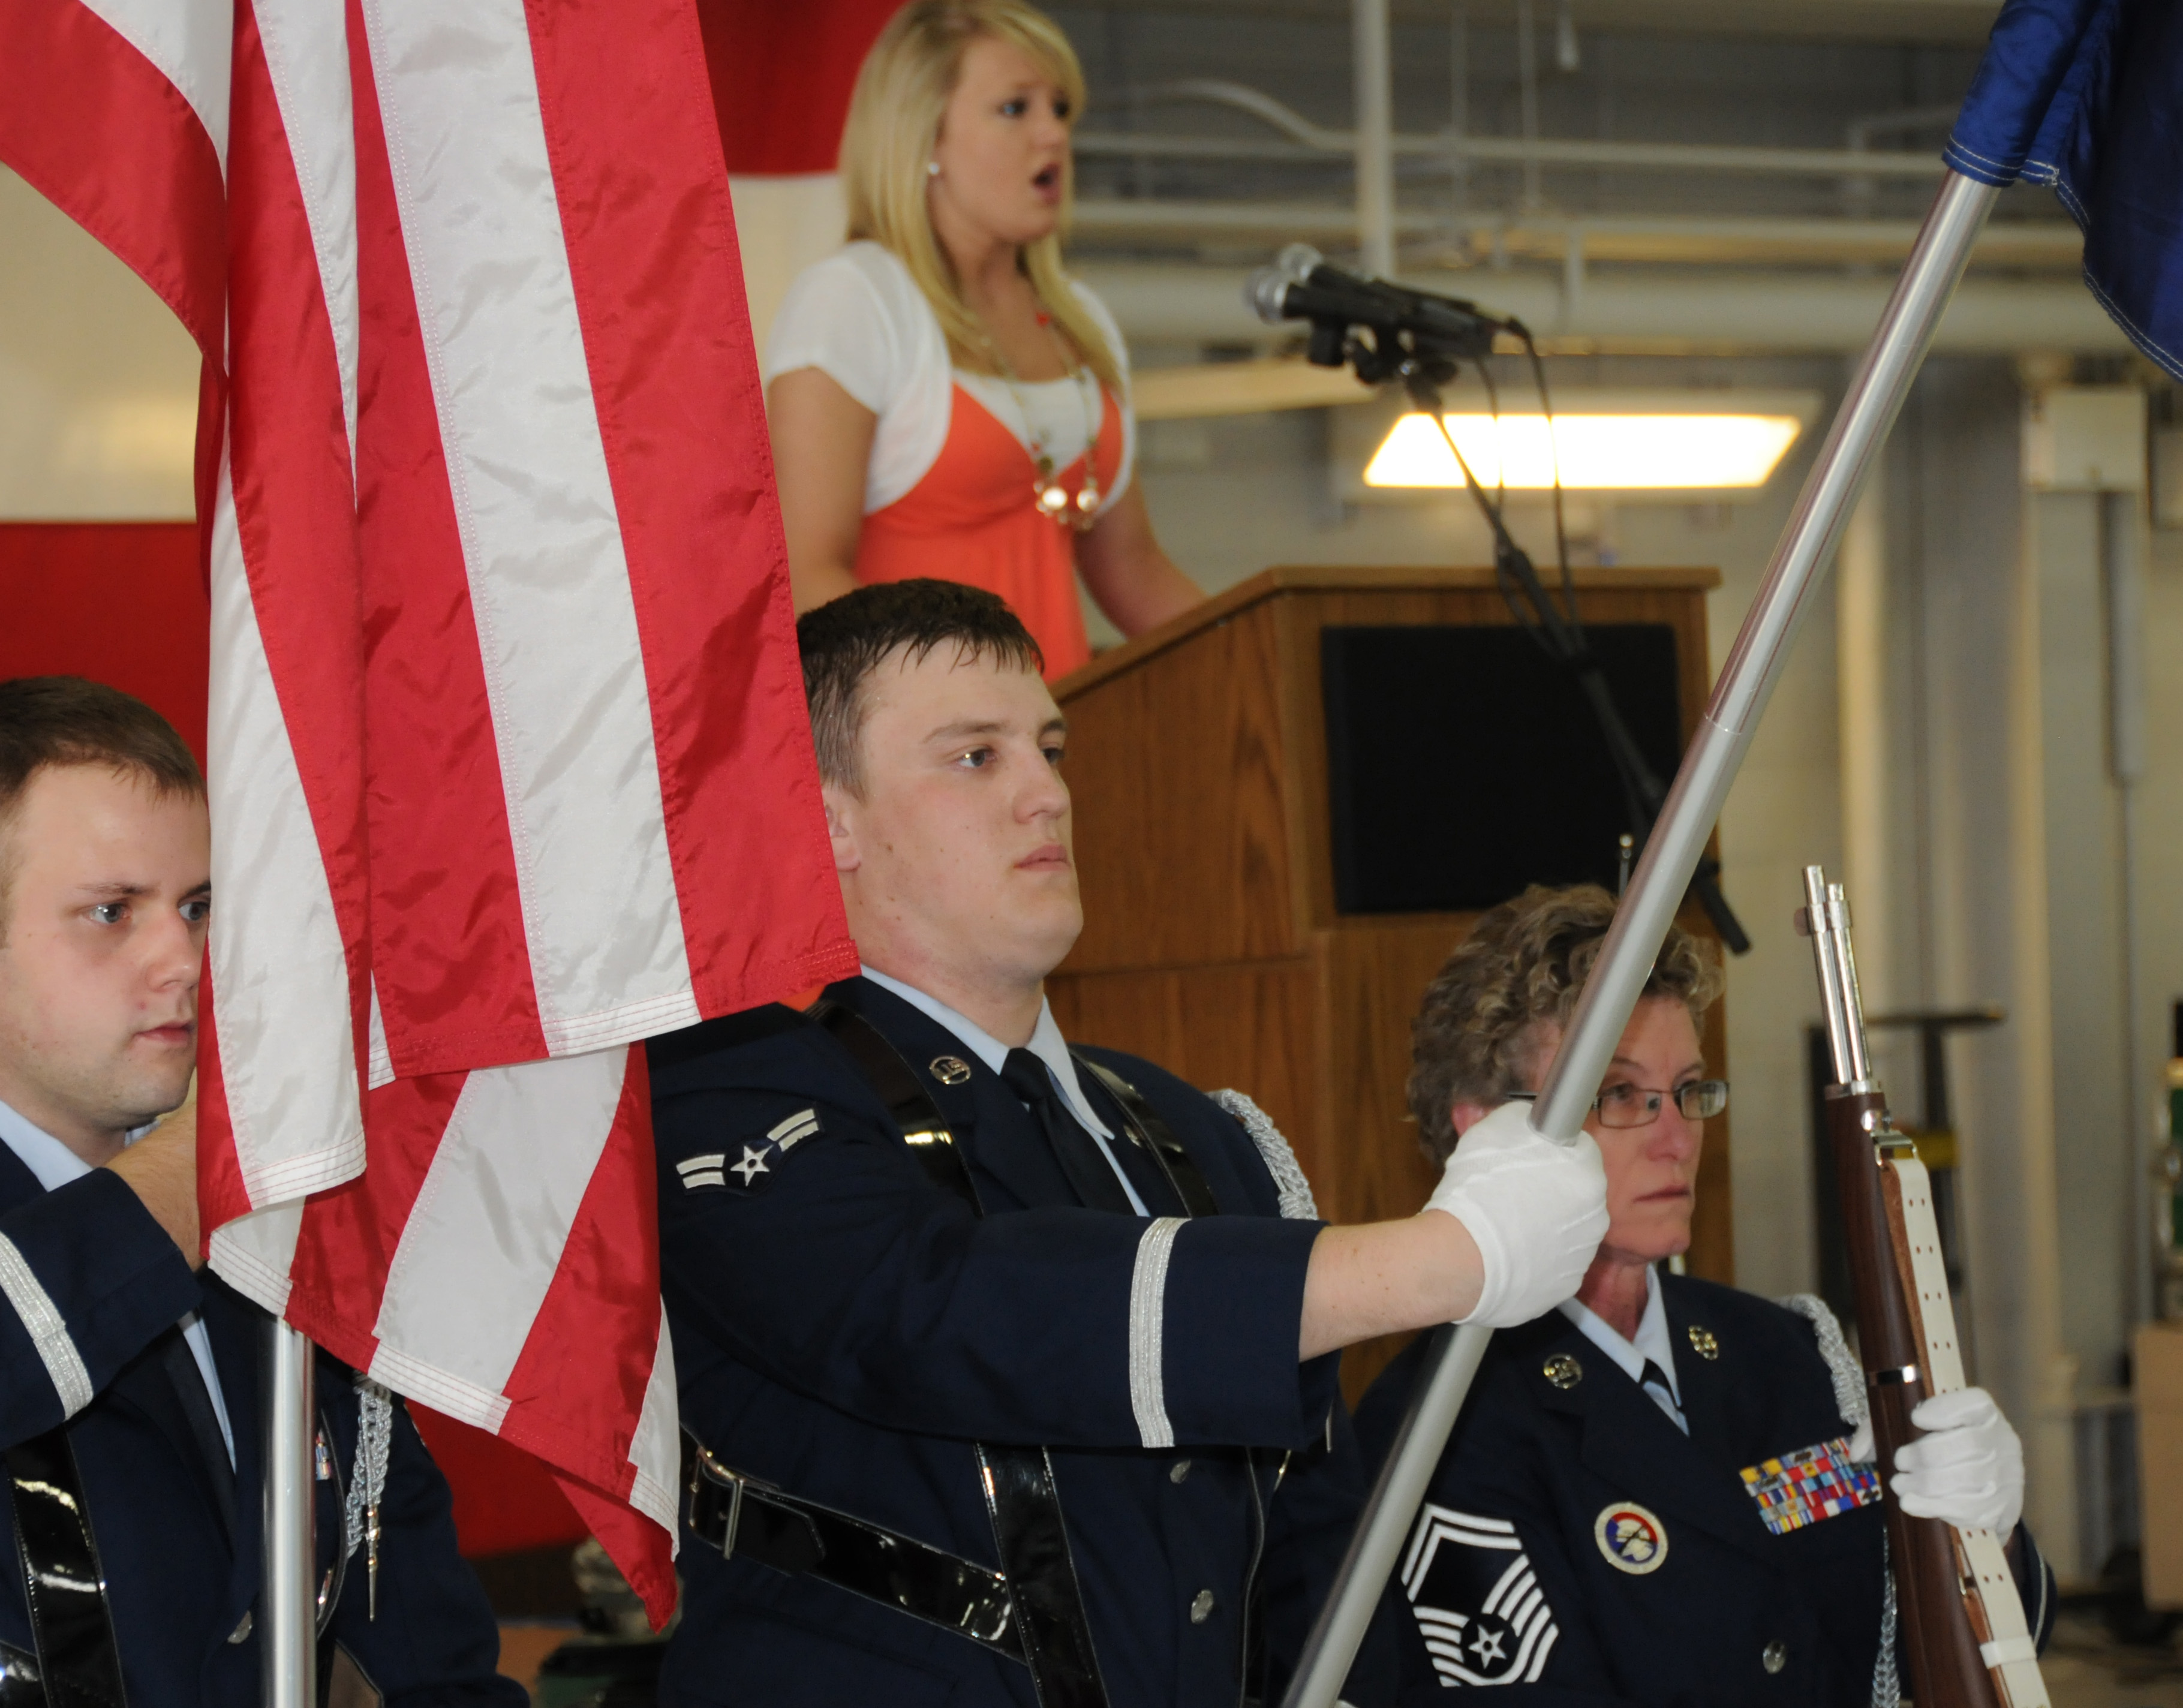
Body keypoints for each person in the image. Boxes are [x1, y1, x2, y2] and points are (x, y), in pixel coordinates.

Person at [648, 581, 1612, 1707]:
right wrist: (1440, 1257)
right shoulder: (732, 1091)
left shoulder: (1185, 1127)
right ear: (830, 822)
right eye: (975, 757)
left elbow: (1303, 1534)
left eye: (1047, 747)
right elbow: (938, 1311)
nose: (1045, 793)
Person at [0, 678, 524, 1707]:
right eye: (110, 912)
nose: (183, 961)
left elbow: (412, 1624)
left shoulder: (266, 1231)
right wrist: (206, 1153)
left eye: (200, 907)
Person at [1343, 883, 2050, 1704]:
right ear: (1484, 1133)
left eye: (1689, 1090)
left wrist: (1985, 1540)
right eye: (1618, 1095)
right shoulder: (1443, 1427)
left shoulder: (1783, 1352)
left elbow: (1964, 1657)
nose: (1677, 1139)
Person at [765, 0, 1205, 679]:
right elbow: (804, 570)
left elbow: (1133, 569)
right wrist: (945, 708)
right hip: (922, 756)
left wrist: (1273, 651)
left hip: (1060, 748)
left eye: (1059, 109)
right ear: (925, 138)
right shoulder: (855, 298)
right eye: (1014, 109)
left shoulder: (1079, 320)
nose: (1053, 134)